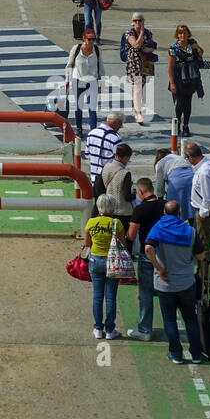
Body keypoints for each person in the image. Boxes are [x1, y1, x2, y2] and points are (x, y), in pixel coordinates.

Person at [145, 201, 208, 364]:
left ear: (164, 213)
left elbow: (147, 248)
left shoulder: (158, 229)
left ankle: (176, 353)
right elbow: (200, 256)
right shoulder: (190, 231)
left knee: (169, 320)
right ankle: (196, 354)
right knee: (190, 318)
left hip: (164, 284)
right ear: (179, 213)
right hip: (186, 283)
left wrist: (158, 268)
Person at [84, 194, 128, 340]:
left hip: (95, 260)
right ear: (112, 207)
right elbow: (123, 244)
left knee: (97, 296)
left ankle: (97, 328)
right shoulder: (117, 223)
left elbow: (87, 243)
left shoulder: (91, 222)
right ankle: (110, 329)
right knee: (111, 297)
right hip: (112, 262)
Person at [127, 178, 165, 342]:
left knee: (146, 293)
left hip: (147, 255)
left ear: (140, 192)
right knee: (167, 293)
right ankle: (172, 328)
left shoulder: (140, 210)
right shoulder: (165, 205)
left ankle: (144, 329)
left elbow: (131, 235)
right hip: (165, 254)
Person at [185, 142, 210, 287]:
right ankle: (201, 274)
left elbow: (209, 197)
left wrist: (202, 213)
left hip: (204, 214)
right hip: (202, 211)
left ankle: (204, 280)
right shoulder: (209, 164)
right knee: (199, 244)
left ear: (191, 157)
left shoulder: (205, 172)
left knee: (203, 246)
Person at [64, 28, 105, 134]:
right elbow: (69, 65)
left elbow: (101, 66)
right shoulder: (76, 49)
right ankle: (79, 129)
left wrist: (103, 81)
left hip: (93, 81)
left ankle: (93, 132)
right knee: (79, 107)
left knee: (92, 108)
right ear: (84, 38)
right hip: (78, 80)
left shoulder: (97, 50)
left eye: (94, 39)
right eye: (89, 39)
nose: (92, 41)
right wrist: (67, 79)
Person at [168, 24, 205, 138]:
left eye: (184, 33)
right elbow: (170, 67)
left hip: (191, 77)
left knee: (188, 102)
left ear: (188, 34)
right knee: (180, 103)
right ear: (177, 35)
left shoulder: (192, 44)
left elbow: (201, 53)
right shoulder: (173, 48)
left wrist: (197, 47)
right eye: (180, 33)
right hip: (179, 78)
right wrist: (172, 83)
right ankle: (178, 121)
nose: (182, 35)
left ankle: (186, 125)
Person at [123, 11, 157, 123]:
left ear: (143, 21)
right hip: (134, 63)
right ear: (132, 22)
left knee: (140, 87)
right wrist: (141, 33)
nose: (138, 22)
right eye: (135, 21)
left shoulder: (149, 33)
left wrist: (149, 49)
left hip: (146, 61)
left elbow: (152, 46)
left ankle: (135, 109)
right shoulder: (129, 33)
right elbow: (136, 45)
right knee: (137, 88)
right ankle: (138, 113)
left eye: (140, 20)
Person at [84, 113, 123, 190]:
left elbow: (87, 155)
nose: (119, 128)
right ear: (118, 122)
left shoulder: (91, 133)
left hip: (94, 179)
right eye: (120, 125)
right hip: (109, 180)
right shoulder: (116, 139)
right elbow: (121, 161)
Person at [98, 143, 134, 217]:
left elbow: (99, 188)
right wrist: (134, 195)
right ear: (126, 157)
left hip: (108, 209)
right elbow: (127, 197)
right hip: (123, 212)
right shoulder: (125, 173)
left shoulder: (106, 167)